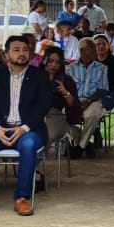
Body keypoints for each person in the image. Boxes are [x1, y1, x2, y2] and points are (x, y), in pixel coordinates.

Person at [0, 37, 51, 217]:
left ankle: (22, 197)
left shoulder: (39, 75)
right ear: (6, 54)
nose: (21, 53)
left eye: (24, 50)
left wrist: (24, 128)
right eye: (16, 50)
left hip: (30, 129)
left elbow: (43, 105)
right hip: (2, 129)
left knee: (28, 146)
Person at [39, 46, 80, 189]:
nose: (53, 65)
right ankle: (34, 172)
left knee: (46, 135)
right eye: (50, 61)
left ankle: (35, 170)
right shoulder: (36, 77)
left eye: (57, 62)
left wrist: (65, 92)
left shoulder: (66, 80)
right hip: (36, 114)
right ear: (44, 61)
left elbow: (72, 104)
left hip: (57, 116)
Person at [66, 38, 109, 159]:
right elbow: (66, 89)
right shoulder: (70, 68)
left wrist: (88, 101)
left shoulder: (102, 68)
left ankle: (80, 147)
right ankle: (84, 143)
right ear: (82, 51)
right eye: (92, 48)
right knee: (64, 115)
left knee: (93, 114)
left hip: (93, 100)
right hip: (74, 100)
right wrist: (75, 102)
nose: (95, 51)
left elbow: (103, 89)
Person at [94, 34, 114, 106]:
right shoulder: (90, 61)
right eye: (98, 44)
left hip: (109, 95)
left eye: (104, 44)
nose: (101, 46)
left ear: (108, 45)